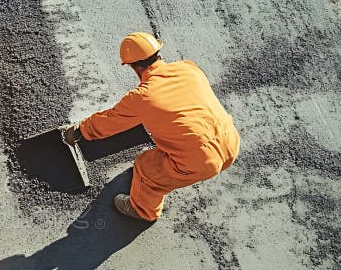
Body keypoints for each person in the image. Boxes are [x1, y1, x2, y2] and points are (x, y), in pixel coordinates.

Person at [64, 32, 240, 221]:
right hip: (230, 142)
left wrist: (80, 130)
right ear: (159, 53)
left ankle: (142, 210)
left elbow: (109, 120)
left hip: (199, 162)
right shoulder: (189, 68)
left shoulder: (142, 97)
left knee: (145, 168)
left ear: (133, 67)